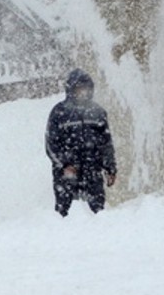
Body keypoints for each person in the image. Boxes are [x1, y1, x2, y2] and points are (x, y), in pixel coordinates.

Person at [45, 69, 117, 216]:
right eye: (79, 88)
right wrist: (64, 164)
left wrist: (110, 168)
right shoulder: (59, 112)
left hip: (93, 171)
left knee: (97, 212)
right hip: (67, 174)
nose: (83, 92)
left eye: (86, 88)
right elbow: (51, 144)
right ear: (71, 90)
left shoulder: (98, 112)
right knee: (65, 214)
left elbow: (106, 143)